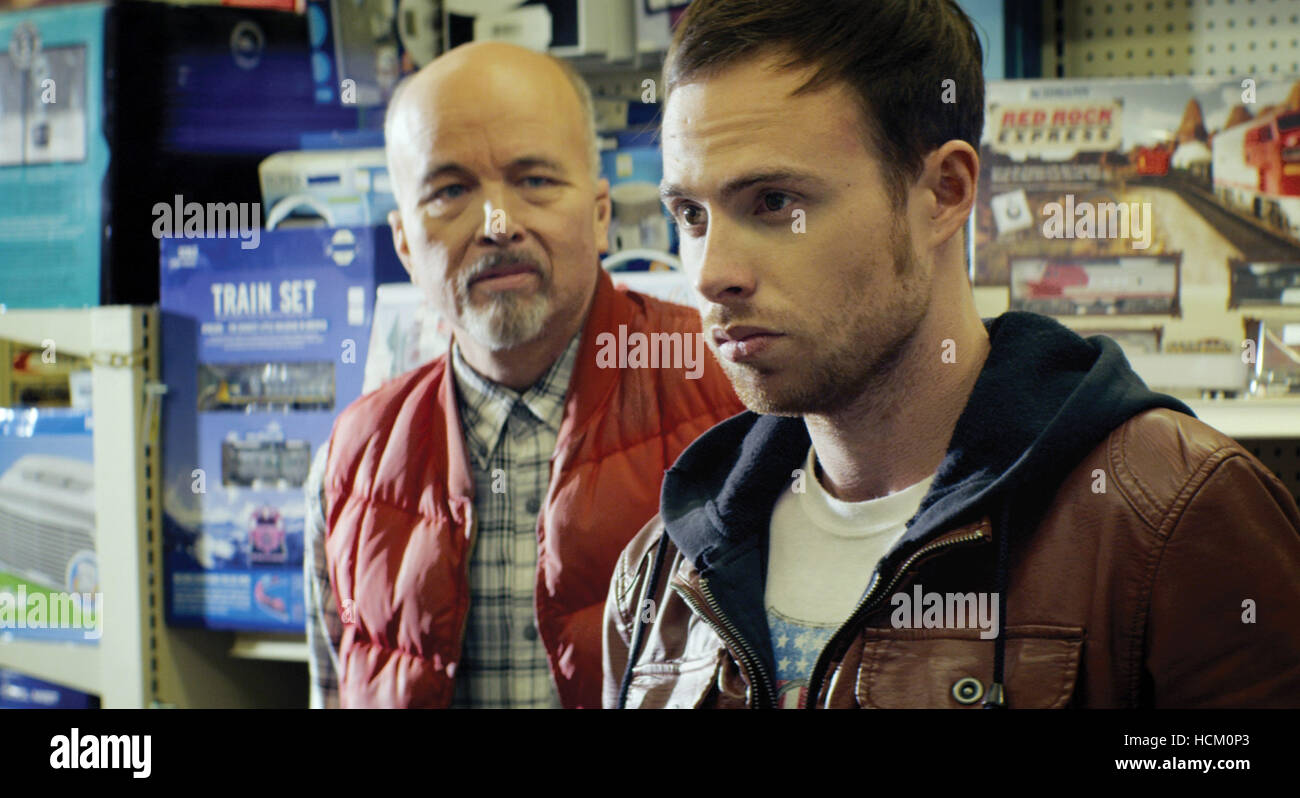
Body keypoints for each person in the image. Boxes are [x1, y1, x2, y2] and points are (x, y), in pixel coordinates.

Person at [603, 0, 1300, 709]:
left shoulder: (1174, 522)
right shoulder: (664, 570)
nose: (710, 271)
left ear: (945, 192)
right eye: (690, 214)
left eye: (775, 201)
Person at [304, 41, 742, 708]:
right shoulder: (351, 461)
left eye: (534, 180)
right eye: (450, 191)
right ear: (403, 245)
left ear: (600, 216)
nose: (497, 224)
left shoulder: (736, 399)